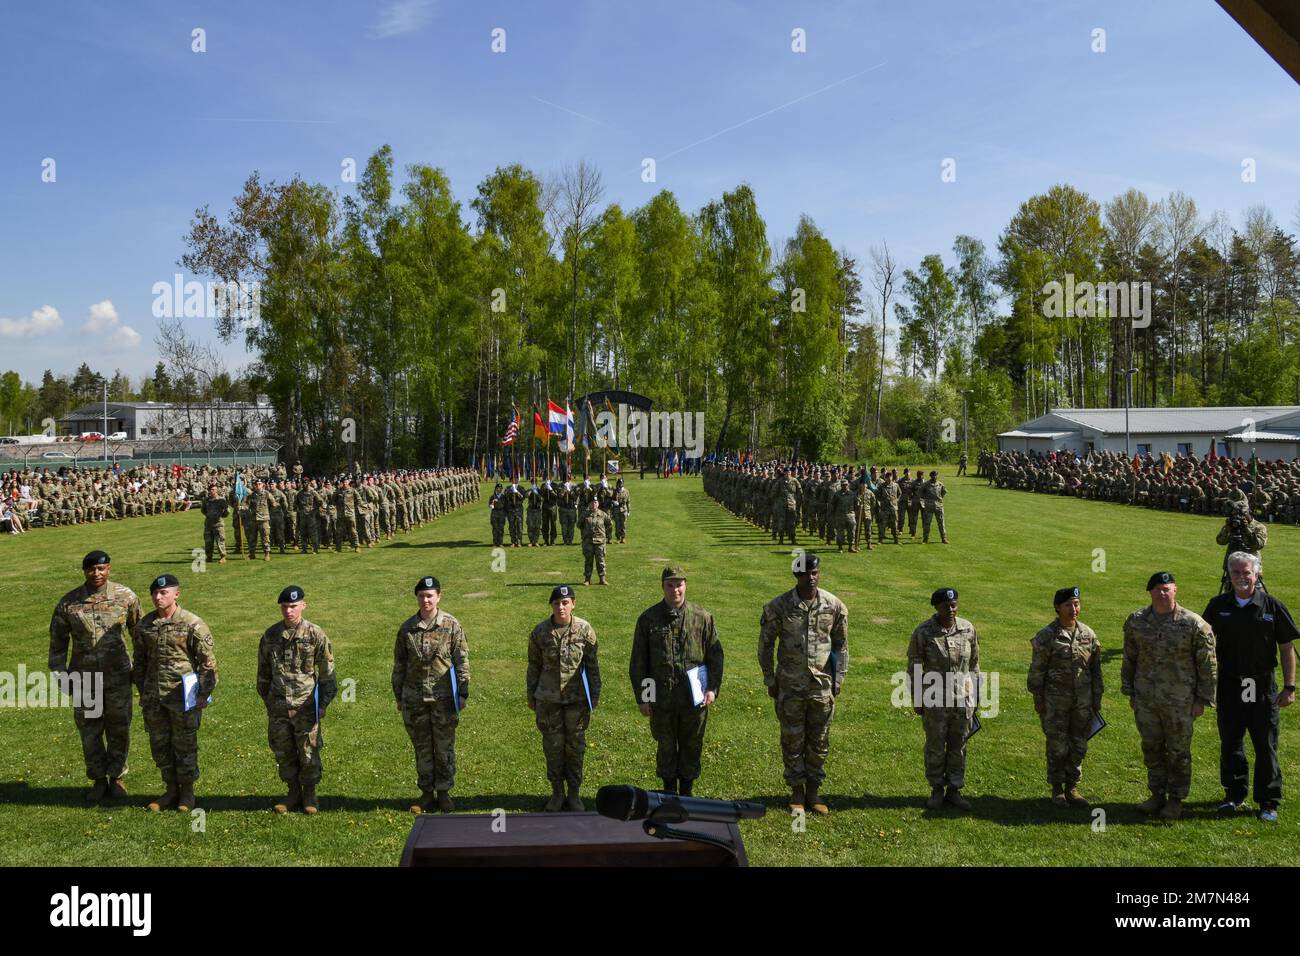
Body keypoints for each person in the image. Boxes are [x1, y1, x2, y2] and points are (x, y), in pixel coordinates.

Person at [1203, 552, 1297, 821]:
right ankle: (1234, 794)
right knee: (1231, 742)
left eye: (1247, 572)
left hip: (1262, 684)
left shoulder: (1272, 606)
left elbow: (1286, 647)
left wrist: (1289, 687)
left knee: (1265, 743)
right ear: (1228, 575)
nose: (1241, 577)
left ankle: (1268, 800)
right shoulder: (1218, 605)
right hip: (1230, 684)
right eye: (1236, 573)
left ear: (1257, 574)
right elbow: (1203, 644)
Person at [1121, 571, 1217, 820]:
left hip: (1180, 701)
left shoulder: (1194, 624)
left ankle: (1176, 799)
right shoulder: (1136, 621)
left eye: (1167, 588)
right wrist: (1130, 691)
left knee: (1178, 752)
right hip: (1146, 699)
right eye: (1158, 589)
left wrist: (1202, 699)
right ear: (1150, 592)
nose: (1162, 593)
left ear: (1175, 590)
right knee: (1151, 748)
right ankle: (1156, 794)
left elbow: (1208, 665)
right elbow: (1129, 658)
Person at [48, 550, 142, 802]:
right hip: (84, 678)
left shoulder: (126, 597)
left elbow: (140, 635)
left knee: (119, 729)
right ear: (85, 571)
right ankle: (98, 780)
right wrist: (60, 675)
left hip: (118, 676)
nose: (97, 574)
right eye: (91, 569)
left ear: (109, 569)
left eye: (102, 569)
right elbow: (57, 645)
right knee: (90, 732)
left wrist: (141, 671)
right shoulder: (69, 603)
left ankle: (117, 777)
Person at [759, 553, 847, 815]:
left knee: (819, 740)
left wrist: (839, 678)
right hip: (790, 685)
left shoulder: (834, 606)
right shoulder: (779, 606)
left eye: (814, 573)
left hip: (821, 686)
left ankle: (814, 791)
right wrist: (770, 678)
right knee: (792, 738)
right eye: (805, 574)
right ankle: (796, 791)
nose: (810, 578)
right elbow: (765, 646)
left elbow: (841, 645)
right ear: (796, 576)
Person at [630, 565, 723, 796]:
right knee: (666, 747)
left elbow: (715, 656)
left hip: (694, 699)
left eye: (679, 584)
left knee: (692, 746)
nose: (675, 590)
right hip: (662, 700)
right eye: (670, 585)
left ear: (686, 585)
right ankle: (670, 791)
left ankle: (687, 793)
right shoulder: (648, 619)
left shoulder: (702, 617)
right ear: (663, 587)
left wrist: (712, 688)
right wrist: (645, 698)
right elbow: (640, 663)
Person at [131, 574, 218, 813]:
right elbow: (138, 661)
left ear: (176, 594)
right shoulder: (145, 625)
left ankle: (187, 792)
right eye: (155, 594)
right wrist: (143, 690)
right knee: (160, 744)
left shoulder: (192, 623)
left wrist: (203, 694)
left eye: (164, 593)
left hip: (183, 698)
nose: (158, 597)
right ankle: (170, 789)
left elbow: (207, 663)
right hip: (153, 697)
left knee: (184, 744)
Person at [257, 585, 337, 815]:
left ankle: (310, 794)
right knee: (283, 751)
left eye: (293, 606)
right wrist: (269, 702)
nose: (289, 611)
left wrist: (322, 705)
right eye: (284, 607)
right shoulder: (270, 636)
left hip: (306, 707)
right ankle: (292, 793)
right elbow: (263, 673)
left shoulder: (315, 634)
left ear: (303, 605)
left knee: (308, 752)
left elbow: (327, 673)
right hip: (279, 706)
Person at [393, 576, 469, 813]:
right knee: (422, 746)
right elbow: (399, 665)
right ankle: (426, 792)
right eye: (421, 596)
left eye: (430, 595)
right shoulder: (407, 629)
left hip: (444, 698)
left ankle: (444, 792)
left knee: (444, 746)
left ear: (438, 596)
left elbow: (462, 659)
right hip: (414, 698)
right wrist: (398, 696)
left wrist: (463, 692)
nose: (425, 600)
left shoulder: (451, 625)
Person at [1027, 586, 1102, 807]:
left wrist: (1097, 698)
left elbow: (1096, 670)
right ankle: (1057, 788)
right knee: (1057, 746)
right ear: (1058, 608)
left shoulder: (1088, 634)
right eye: (1068, 605)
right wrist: (1038, 699)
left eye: (1077, 604)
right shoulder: (1047, 636)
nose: (1074, 609)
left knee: (1079, 745)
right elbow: (1037, 670)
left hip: (1083, 702)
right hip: (1055, 702)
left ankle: (1072, 787)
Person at [527, 584, 600, 811]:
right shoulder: (540, 633)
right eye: (557, 603)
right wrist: (531, 695)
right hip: (548, 701)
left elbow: (592, 665)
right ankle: (557, 793)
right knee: (553, 747)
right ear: (551, 605)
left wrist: (594, 695)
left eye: (565, 602)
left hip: (577, 701)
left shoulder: (584, 630)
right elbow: (533, 666)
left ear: (573, 604)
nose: (561, 607)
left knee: (576, 747)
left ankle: (575, 793)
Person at [907, 587, 979, 811]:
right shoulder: (924, 632)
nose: (951, 609)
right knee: (936, 746)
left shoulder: (967, 629)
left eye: (954, 605)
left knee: (959, 746)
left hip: (962, 699)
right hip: (935, 699)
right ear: (936, 607)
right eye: (946, 606)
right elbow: (914, 668)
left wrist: (975, 694)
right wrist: (917, 698)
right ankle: (937, 789)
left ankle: (954, 790)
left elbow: (975, 664)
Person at [1217, 501, 1268, 593]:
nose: (1241, 517)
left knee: (1257, 594)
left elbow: (1258, 545)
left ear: (1249, 512)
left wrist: (1246, 529)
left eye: (1243, 513)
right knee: (1229, 596)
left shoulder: (1259, 527)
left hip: (1251, 566)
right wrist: (1227, 529)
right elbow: (1220, 541)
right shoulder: (1233, 524)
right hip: (1233, 564)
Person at [579, 497, 611, 585]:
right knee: (588, 561)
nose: (594, 504)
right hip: (588, 542)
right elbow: (579, 525)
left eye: (595, 502)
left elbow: (609, 524)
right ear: (589, 504)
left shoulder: (603, 514)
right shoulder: (585, 514)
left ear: (598, 504)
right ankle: (587, 579)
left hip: (600, 541)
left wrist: (602, 532)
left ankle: (602, 579)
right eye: (592, 503)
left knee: (600, 561)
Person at [200, 483, 229, 564]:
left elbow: (227, 511)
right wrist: (209, 516)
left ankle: (222, 557)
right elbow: (203, 510)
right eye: (211, 489)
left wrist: (220, 516)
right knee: (208, 542)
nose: (212, 491)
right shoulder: (206, 500)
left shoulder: (221, 500)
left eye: (214, 489)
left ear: (217, 490)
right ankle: (209, 556)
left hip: (218, 524)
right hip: (208, 524)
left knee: (220, 541)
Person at [921, 470, 948, 544]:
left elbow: (944, 492)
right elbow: (921, 493)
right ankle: (925, 539)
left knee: (941, 523)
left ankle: (944, 539)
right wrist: (926, 500)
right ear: (931, 476)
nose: (935, 477)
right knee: (927, 523)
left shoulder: (940, 484)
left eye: (936, 475)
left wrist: (939, 499)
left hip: (939, 506)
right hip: (929, 507)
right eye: (933, 475)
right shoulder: (926, 484)